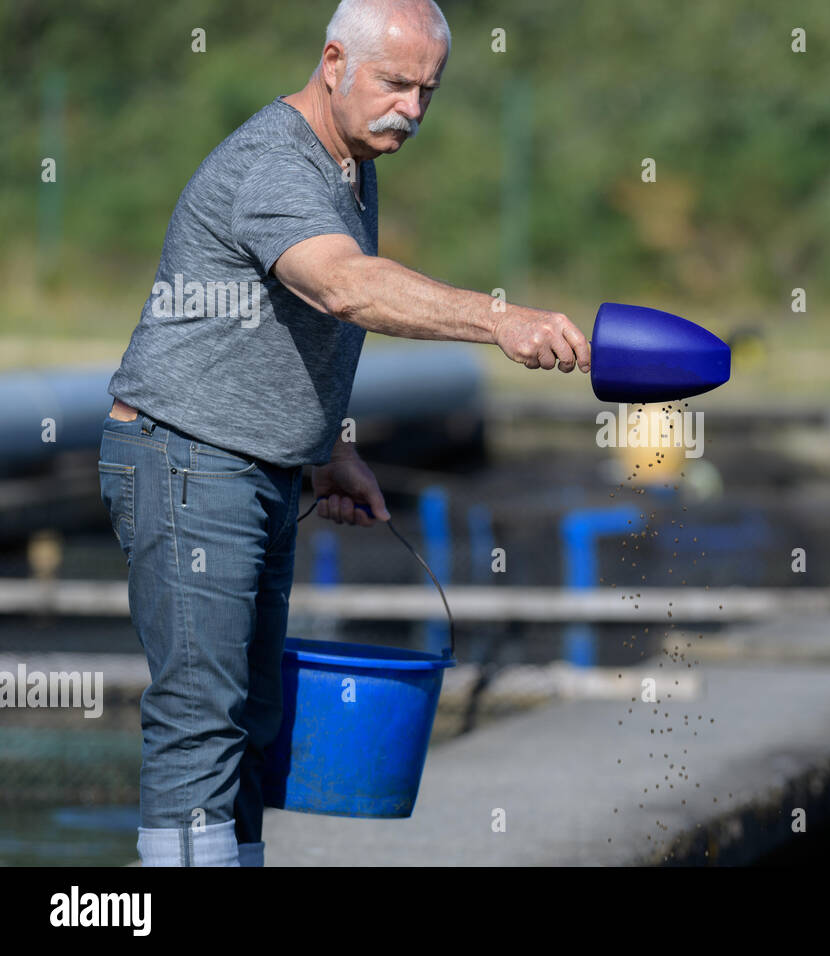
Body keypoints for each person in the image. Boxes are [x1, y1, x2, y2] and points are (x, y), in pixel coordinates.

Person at [97, 0, 590, 866]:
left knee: (253, 718)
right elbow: (344, 289)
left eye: (428, 91)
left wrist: (329, 448)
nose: (412, 109)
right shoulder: (273, 164)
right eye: (395, 82)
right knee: (199, 719)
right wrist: (497, 318)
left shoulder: (351, 164)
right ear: (333, 62)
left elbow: (274, 330)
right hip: (184, 458)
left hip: (264, 463)